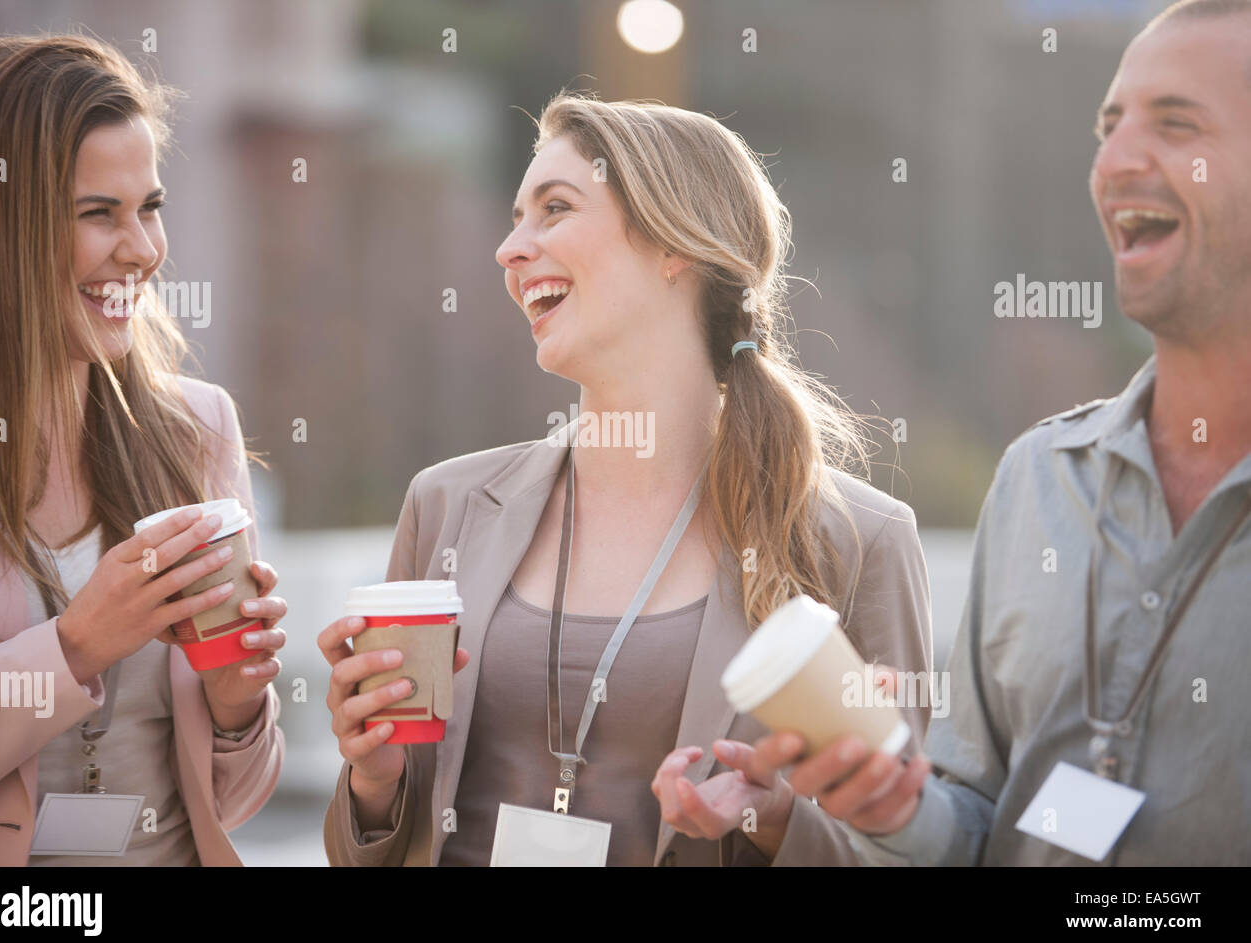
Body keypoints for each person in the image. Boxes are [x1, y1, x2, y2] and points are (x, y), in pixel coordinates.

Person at [320, 92, 932, 866]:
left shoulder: (858, 541)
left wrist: (773, 820)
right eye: (515, 218)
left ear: (675, 244)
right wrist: (374, 780)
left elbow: (903, 849)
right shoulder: (444, 506)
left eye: (555, 208)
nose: (511, 250)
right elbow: (373, 849)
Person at [752, 0, 1251, 865]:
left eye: (1176, 124)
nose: (1115, 161)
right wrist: (892, 808)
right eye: (1110, 125)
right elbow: (981, 818)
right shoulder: (1037, 478)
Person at [0, 34, 286, 865]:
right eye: (99, 213)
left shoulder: (197, 428)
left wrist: (238, 702)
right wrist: (73, 649)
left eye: (150, 208)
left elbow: (231, 801)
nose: (142, 249)